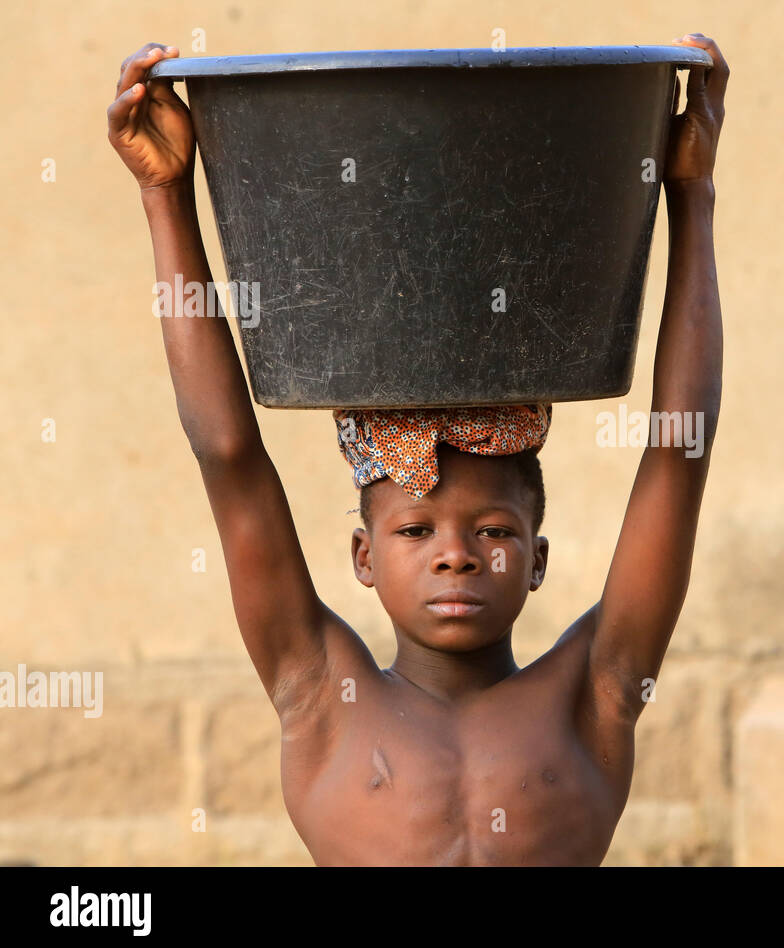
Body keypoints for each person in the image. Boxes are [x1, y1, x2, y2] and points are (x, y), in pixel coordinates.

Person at [107, 34, 727, 865]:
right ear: (363, 555)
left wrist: (692, 192)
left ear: (538, 559)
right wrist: (165, 196)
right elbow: (227, 454)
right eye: (415, 531)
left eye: (495, 533)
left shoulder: (595, 693)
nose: (456, 557)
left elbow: (679, 454)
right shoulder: (320, 694)